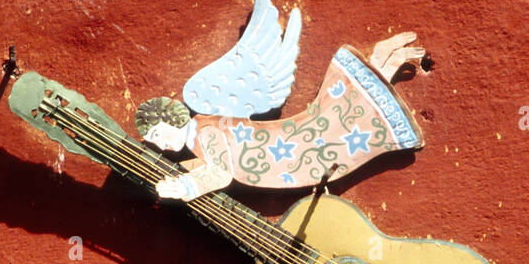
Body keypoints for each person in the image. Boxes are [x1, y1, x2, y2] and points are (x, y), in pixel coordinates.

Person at [135, 33, 426, 203]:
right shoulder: (200, 132)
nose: (161, 145)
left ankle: (382, 61)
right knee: (341, 128)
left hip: (284, 153)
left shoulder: (204, 132)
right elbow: (212, 162)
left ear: (172, 119)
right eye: (154, 142)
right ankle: (383, 63)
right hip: (283, 155)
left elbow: (222, 173)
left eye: (158, 134)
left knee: (338, 135)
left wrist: (184, 188)